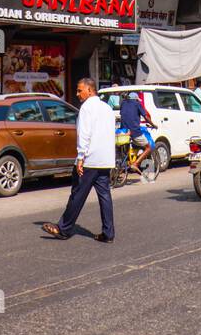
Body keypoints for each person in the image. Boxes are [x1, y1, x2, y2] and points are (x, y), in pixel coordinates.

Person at [43, 78, 116, 242]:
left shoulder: (86, 108)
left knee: (77, 194)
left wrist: (81, 157)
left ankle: (64, 228)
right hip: (105, 159)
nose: (77, 94)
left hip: (90, 159)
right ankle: (108, 233)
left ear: (90, 90)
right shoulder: (107, 108)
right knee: (104, 196)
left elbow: (84, 134)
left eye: (79, 90)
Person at [118, 91, 157, 175]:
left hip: (123, 131)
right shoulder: (137, 103)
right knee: (148, 147)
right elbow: (145, 116)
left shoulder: (123, 103)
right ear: (135, 99)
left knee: (125, 150)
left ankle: (122, 168)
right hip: (134, 131)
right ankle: (136, 163)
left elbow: (124, 114)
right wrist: (153, 124)